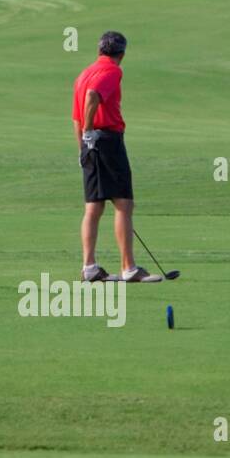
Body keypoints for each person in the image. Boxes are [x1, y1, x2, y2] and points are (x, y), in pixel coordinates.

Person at [73, 31, 149, 282]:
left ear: (99, 50)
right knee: (123, 204)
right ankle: (129, 268)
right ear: (122, 54)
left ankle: (89, 267)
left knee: (93, 207)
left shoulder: (84, 73)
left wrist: (83, 146)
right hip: (107, 140)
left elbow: (76, 116)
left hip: (91, 144)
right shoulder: (114, 71)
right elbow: (93, 97)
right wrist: (90, 130)